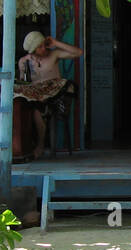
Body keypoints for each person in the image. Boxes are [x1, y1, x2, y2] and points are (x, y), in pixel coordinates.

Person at [17, 30, 83, 158]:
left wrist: (55, 43)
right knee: (24, 108)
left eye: (43, 45)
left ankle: (40, 146)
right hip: (37, 97)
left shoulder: (54, 55)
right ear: (32, 50)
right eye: (39, 47)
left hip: (55, 97)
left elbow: (79, 52)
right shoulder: (24, 62)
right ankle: (24, 146)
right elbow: (23, 83)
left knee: (38, 110)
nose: (43, 48)